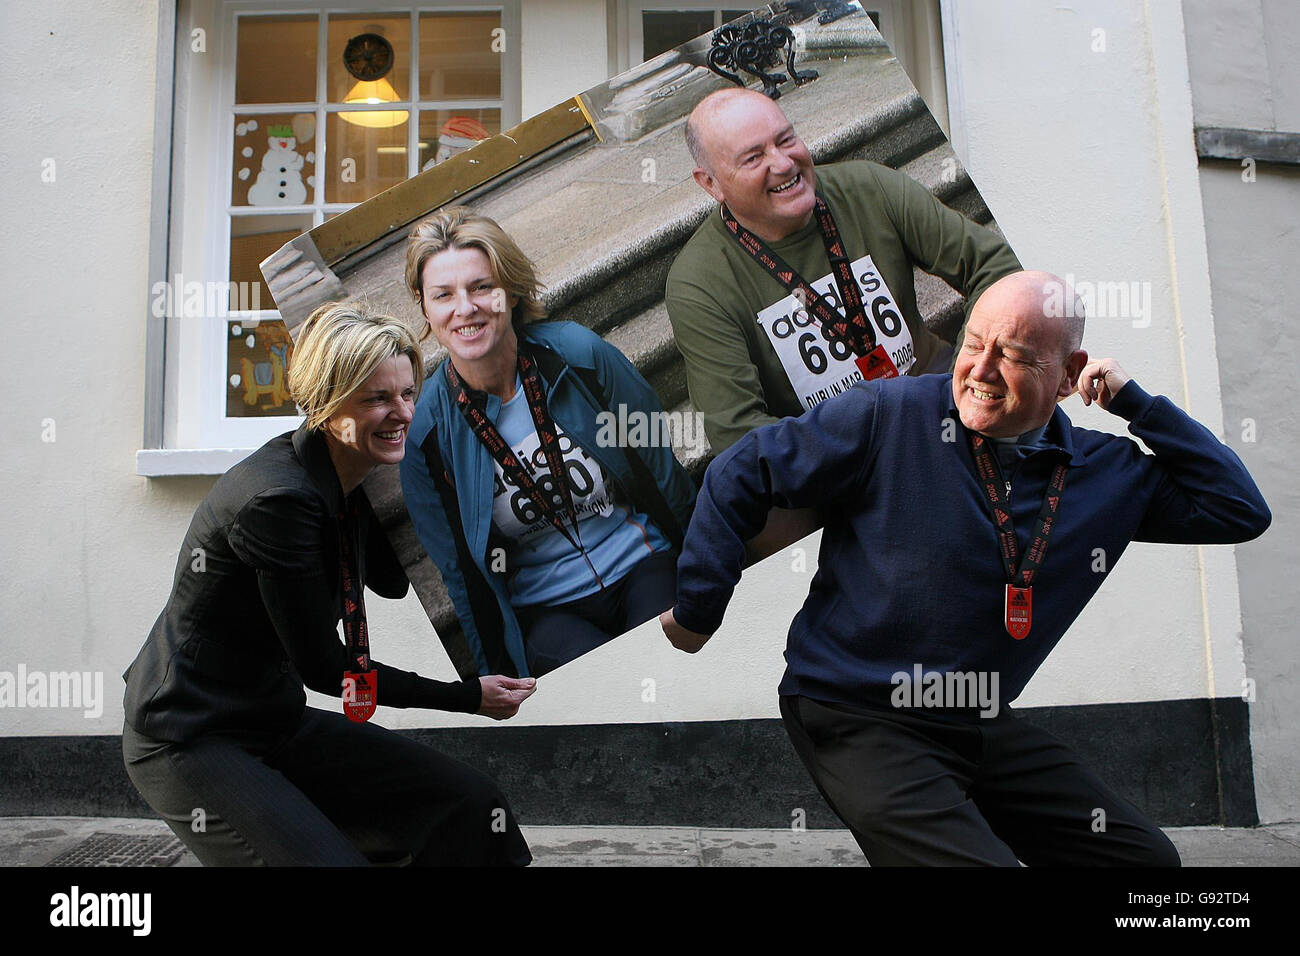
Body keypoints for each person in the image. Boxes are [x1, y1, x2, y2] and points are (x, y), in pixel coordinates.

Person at [660, 270, 1271, 866]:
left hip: (975, 719)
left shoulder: (1107, 473)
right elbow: (742, 470)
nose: (980, 369)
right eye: (974, 342)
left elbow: (1238, 509)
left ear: (1066, 376)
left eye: (1014, 356)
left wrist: (1138, 403)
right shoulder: (887, 413)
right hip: (855, 710)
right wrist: (699, 607)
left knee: (1143, 861)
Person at [122, 301, 535, 867]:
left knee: (472, 807)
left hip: (271, 718)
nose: (402, 413)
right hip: (191, 734)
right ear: (326, 402)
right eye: (377, 399)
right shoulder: (279, 501)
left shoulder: (349, 472)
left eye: (409, 393)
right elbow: (325, 671)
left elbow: (390, 584)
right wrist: (468, 698)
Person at [400, 207, 696, 679]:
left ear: (511, 291)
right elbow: (462, 575)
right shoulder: (430, 435)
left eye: (481, 287)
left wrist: (710, 565)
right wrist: (491, 679)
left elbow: (660, 466)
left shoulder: (578, 356)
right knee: (607, 691)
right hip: (547, 608)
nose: (465, 308)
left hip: (641, 561)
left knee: (674, 660)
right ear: (424, 306)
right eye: (443, 295)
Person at [667, 86, 1023, 455]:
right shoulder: (699, 282)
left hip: (938, 391)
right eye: (754, 158)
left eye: (786, 139)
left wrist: (970, 371)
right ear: (710, 183)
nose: (785, 163)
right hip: (836, 452)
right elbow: (738, 432)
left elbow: (994, 265)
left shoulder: (869, 187)